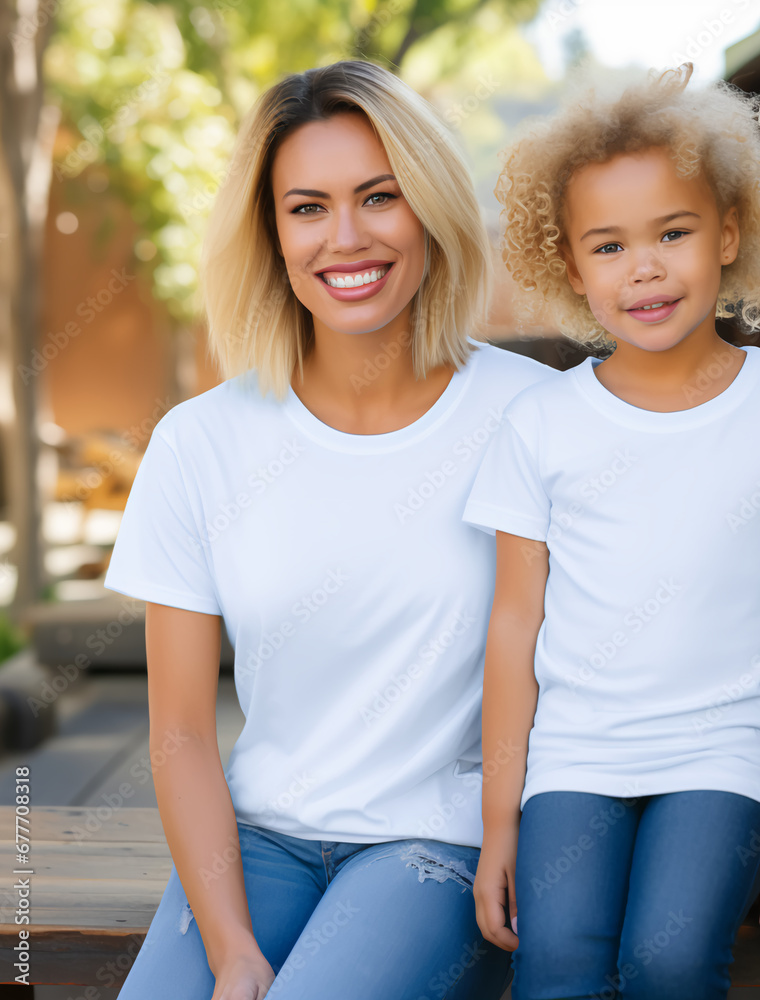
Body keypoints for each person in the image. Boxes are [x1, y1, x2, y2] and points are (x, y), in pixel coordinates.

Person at [103, 59, 554, 1000]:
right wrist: (229, 952)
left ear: (429, 206)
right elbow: (181, 734)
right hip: (259, 838)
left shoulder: (537, 417)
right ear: (270, 234)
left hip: (437, 841)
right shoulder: (200, 444)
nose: (345, 238)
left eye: (379, 197)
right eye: (306, 207)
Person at [461, 62, 760, 1000]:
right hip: (575, 754)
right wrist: (500, 821)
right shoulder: (541, 424)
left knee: (666, 959)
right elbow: (512, 627)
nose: (646, 267)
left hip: (722, 750)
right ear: (571, 266)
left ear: (730, 231)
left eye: (673, 231)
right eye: (609, 246)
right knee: (557, 964)